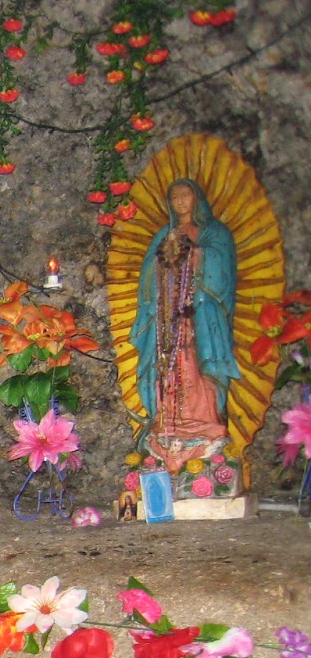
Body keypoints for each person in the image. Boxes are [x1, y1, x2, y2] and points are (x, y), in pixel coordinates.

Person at [129, 177, 241, 473]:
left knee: (197, 368)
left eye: (185, 195)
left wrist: (193, 252)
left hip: (200, 318)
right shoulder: (164, 234)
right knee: (167, 368)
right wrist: (166, 257)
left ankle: (205, 426)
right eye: (175, 196)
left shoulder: (215, 233)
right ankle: (167, 424)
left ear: (197, 198)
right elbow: (148, 277)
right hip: (167, 322)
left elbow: (222, 271)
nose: (180, 201)